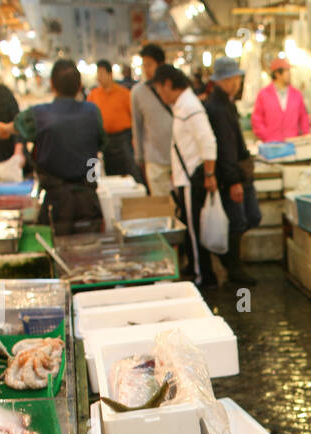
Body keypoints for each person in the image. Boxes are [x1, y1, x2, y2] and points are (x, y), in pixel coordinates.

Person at [0, 59, 104, 235]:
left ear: (52, 85)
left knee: (56, 253)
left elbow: (13, 127)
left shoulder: (38, 115)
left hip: (55, 203)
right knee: (90, 253)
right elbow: (103, 143)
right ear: (80, 86)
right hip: (88, 201)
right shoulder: (92, 112)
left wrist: (2, 128)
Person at [155, 65, 217, 287]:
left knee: (194, 231)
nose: (160, 95)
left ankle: (204, 277)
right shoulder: (181, 105)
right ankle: (194, 268)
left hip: (193, 179)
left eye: (160, 89)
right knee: (190, 229)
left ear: (169, 84)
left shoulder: (190, 105)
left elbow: (208, 142)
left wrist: (209, 174)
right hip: (184, 178)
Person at [202, 56, 262, 286]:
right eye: (235, 78)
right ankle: (233, 268)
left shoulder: (225, 103)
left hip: (236, 173)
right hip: (232, 175)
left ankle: (231, 264)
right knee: (237, 222)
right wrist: (234, 181)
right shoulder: (218, 108)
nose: (238, 83)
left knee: (249, 217)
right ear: (225, 80)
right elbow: (225, 149)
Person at [89, 60, 143, 182]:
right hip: (105, 139)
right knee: (110, 171)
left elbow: (134, 117)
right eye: (98, 74)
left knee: (131, 169)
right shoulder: (94, 95)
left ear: (110, 74)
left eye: (102, 73)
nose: (99, 77)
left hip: (123, 138)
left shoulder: (124, 93)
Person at [131, 44, 174, 197]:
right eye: (144, 65)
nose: (146, 69)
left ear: (160, 64)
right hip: (154, 158)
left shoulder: (172, 86)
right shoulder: (137, 92)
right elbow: (137, 126)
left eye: (149, 64)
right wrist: (139, 157)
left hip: (178, 157)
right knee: (161, 204)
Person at [251, 58, 311, 143]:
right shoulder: (263, 94)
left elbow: (303, 117)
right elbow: (257, 119)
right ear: (277, 74)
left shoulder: (297, 94)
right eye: (287, 71)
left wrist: (306, 135)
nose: (289, 74)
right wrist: (266, 136)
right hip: (272, 145)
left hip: (293, 143)